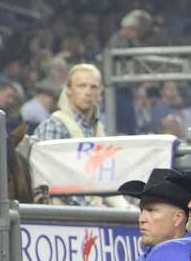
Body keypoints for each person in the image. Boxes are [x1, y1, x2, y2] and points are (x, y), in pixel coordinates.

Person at [32, 63, 127, 208]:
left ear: (100, 92)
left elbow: (106, 176)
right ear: (69, 90)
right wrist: (91, 206)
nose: (88, 92)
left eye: (93, 87)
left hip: (96, 207)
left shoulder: (99, 131)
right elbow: (52, 177)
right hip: (62, 213)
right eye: (82, 86)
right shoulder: (54, 125)